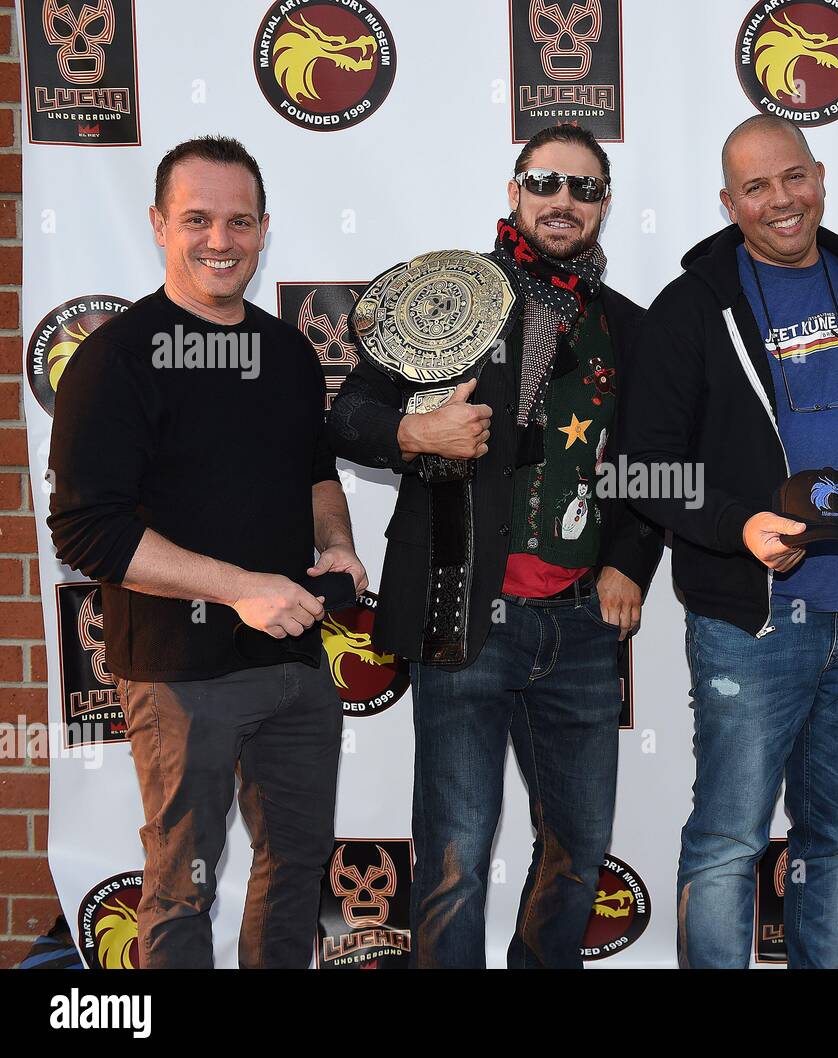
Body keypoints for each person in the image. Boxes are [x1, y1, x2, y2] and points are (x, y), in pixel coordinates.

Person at [618, 115, 838, 968]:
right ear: (730, 203)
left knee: (836, 842)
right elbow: (635, 471)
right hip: (753, 623)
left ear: (820, 176)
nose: (781, 200)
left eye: (793, 178)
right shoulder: (689, 310)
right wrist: (736, 523)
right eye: (757, 188)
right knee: (730, 840)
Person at [328, 123, 662, 969]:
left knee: (579, 851)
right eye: (546, 182)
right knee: (455, 856)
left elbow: (656, 462)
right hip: (462, 613)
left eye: (584, 188)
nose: (564, 201)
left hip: (583, 626)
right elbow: (348, 417)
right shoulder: (450, 296)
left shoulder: (629, 325)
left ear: (605, 206)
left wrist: (630, 558)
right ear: (515, 192)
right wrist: (417, 428)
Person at [47, 136, 365, 968]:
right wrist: (238, 589)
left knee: (296, 863)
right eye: (197, 220)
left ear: (264, 230)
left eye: (239, 221)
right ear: (158, 224)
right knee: (182, 882)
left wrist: (337, 542)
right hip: (179, 668)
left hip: (297, 656)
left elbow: (316, 474)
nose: (219, 240)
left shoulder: (290, 353)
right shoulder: (115, 358)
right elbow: (88, 531)